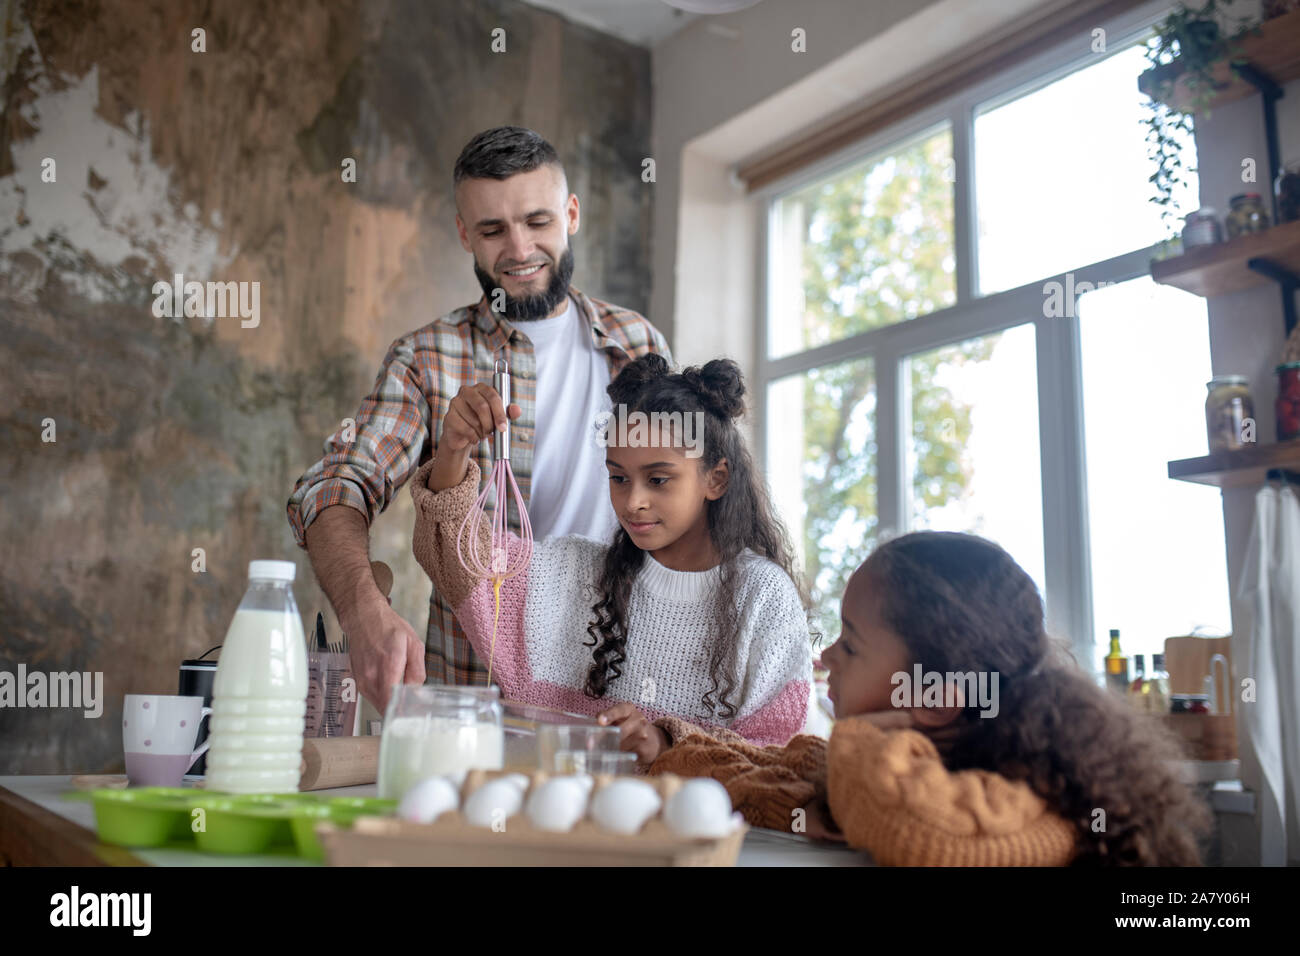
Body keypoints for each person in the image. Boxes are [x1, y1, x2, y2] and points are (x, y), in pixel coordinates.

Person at [286, 126, 670, 715]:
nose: (518, 250)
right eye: (492, 229)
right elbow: (334, 485)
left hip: (624, 695)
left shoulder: (638, 344)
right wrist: (364, 612)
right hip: (475, 702)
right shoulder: (426, 357)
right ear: (465, 233)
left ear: (571, 214)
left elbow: (690, 509)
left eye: (537, 222)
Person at [647, 532, 1213, 865]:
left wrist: (859, 741)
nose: (826, 658)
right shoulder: (933, 760)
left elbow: (898, 808)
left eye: (852, 643)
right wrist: (669, 743)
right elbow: (782, 773)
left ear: (938, 697)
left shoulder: (1021, 805)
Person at [409, 354, 813, 754]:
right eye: (618, 477)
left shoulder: (765, 597)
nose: (633, 501)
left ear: (716, 478)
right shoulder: (572, 574)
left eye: (658, 479)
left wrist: (667, 744)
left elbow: (776, 757)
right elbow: (459, 558)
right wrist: (453, 449)